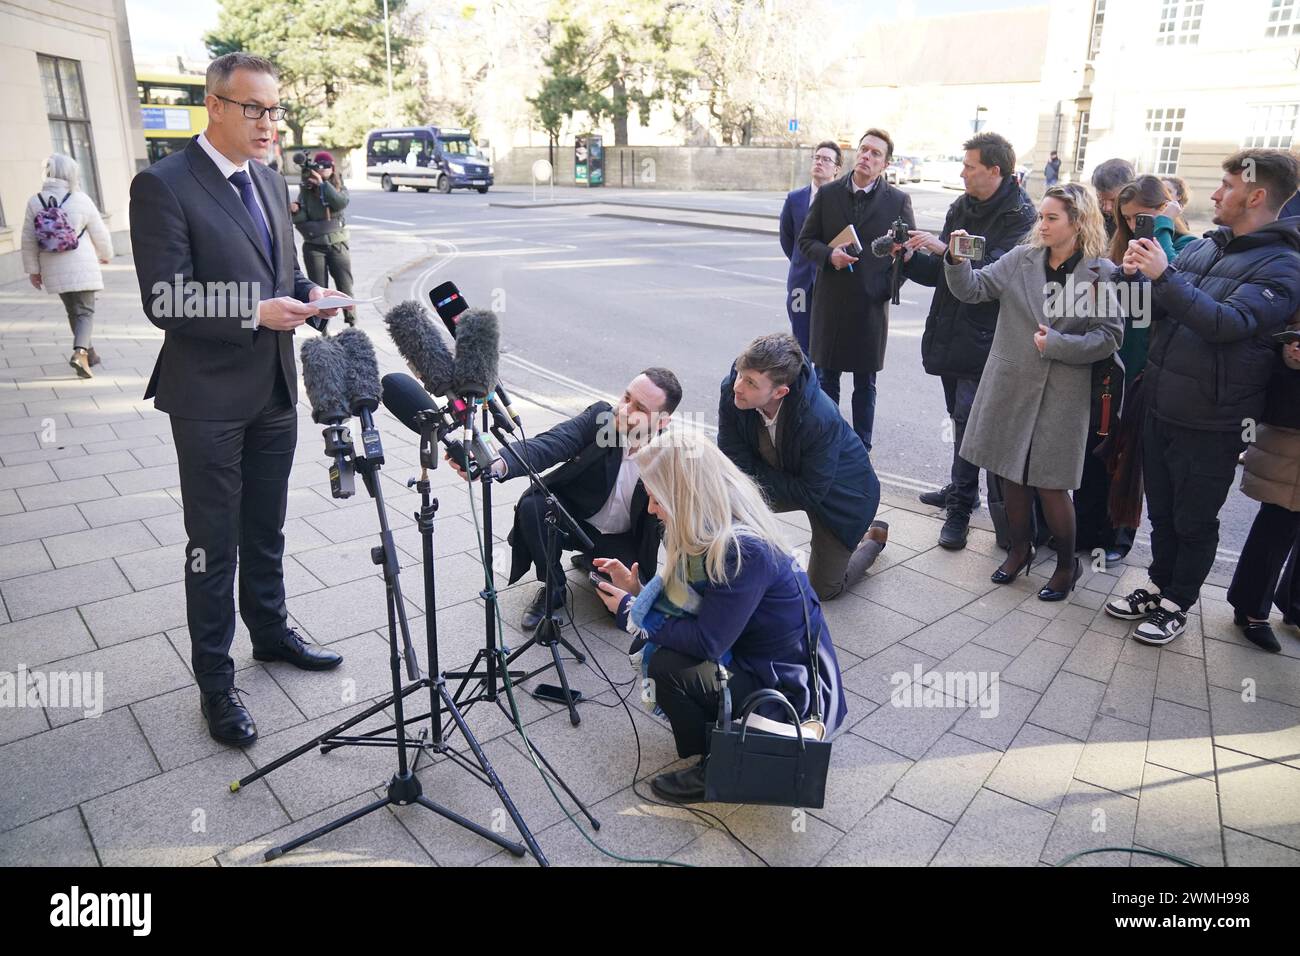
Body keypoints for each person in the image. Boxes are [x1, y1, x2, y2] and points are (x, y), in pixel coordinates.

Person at [129, 52, 343, 747]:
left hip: (276, 388)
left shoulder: (269, 177)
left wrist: (309, 298)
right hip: (209, 401)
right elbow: (166, 296)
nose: (269, 123)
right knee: (212, 546)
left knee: (267, 527)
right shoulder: (162, 185)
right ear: (214, 106)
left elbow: (280, 270)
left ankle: (272, 634)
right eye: (254, 109)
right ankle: (215, 686)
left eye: (275, 110)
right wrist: (259, 310)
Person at [1106, 148, 1300, 645]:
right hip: (1162, 401)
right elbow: (1157, 313)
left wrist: (1163, 277)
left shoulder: (1284, 266)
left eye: (1227, 186)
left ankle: (1178, 602)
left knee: (1194, 518)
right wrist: (1134, 278)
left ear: (1256, 195)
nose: (1215, 193)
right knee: (1164, 512)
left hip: (1215, 419)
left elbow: (1226, 324)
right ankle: (1158, 585)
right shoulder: (1206, 246)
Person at [592, 429, 847, 802]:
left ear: (684, 495)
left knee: (667, 663)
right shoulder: (720, 524)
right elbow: (700, 605)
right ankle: (719, 738)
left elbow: (708, 640)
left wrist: (632, 611)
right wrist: (637, 592)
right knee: (659, 646)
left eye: (656, 497)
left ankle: (719, 764)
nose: (650, 508)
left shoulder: (742, 551)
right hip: (766, 660)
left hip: (790, 690)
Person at [945, 184, 1123, 600]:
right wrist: (955, 260)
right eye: (1040, 216)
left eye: (1051, 218)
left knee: (1052, 484)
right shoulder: (1020, 259)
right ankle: (1020, 550)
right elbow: (972, 289)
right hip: (1012, 384)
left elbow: (1109, 337)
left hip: (1064, 394)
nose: (1041, 224)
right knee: (1011, 476)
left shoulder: (1100, 272)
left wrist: (1058, 344)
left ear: (1077, 223)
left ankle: (1066, 565)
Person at [447, 369, 682, 631]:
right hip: (573, 519)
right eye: (626, 397)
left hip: (622, 539)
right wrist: (494, 465)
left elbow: (676, 524)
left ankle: (591, 560)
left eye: (639, 408)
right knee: (533, 506)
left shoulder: (671, 456)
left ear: (661, 421)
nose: (625, 410)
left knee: (620, 617)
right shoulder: (601, 418)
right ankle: (554, 587)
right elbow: (551, 443)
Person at [900, 131, 1037, 549]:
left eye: (969, 166)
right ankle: (963, 490)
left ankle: (959, 507)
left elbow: (997, 273)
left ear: (995, 170)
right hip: (950, 331)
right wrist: (908, 259)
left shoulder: (1021, 214)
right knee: (959, 420)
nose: (962, 173)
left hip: (987, 338)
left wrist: (948, 251)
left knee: (967, 423)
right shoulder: (962, 205)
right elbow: (944, 274)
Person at [1077, 175, 1200, 563]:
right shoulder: (1123, 248)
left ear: (1165, 210)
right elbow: (1118, 303)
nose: (1133, 226)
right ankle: (1085, 529)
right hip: (1115, 360)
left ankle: (1119, 536)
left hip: (1152, 367)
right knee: (1097, 445)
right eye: (1128, 218)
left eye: (1143, 216)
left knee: (1129, 456)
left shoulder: (1188, 246)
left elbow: (1170, 285)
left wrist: (1162, 228)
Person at [717, 333, 888, 601]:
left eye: (750, 382)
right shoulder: (732, 391)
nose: (738, 386)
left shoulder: (819, 417)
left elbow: (810, 491)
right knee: (722, 494)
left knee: (823, 590)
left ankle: (873, 540)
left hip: (841, 494)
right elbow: (731, 458)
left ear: (780, 391)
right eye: (740, 373)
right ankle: (732, 572)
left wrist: (750, 480)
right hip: (789, 473)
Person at [797, 128, 915, 452]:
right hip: (831, 304)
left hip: (870, 308)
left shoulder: (898, 201)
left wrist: (883, 289)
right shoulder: (829, 193)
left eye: (876, 153)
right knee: (826, 381)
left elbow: (907, 257)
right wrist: (829, 256)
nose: (867, 156)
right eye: (864, 150)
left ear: (886, 164)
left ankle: (862, 450)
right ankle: (827, 443)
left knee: (865, 385)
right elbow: (806, 241)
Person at [1227, 312, 1300, 652]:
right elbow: (1272, 350)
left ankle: (1290, 607)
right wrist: (1291, 353)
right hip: (1288, 440)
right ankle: (1252, 609)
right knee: (1278, 522)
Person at [21, 153, 113, 378]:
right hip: (81, 262)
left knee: (73, 311)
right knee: (86, 311)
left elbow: (28, 239)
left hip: (51, 264)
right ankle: (80, 352)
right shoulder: (80, 198)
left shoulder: (35, 201)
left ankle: (89, 355)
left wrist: (33, 270)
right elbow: (99, 232)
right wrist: (106, 254)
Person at [779, 141, 841, 355]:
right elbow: (788, 240)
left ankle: (819, 386)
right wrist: (801, 260)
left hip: (829, 282)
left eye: (826, 159)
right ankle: (802, 384)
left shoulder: (842, 200)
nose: (819, 162)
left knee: (825, 343)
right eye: (816, 157)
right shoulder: (795, 199)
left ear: (836, 169)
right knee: (799, 342)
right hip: (799, 284)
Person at [291, 151, 356, 326]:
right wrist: (296, 210)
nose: (322, 169)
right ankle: (323, 328)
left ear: (333, 168)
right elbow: (302, 218)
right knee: (318, 289)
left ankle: (351, 321)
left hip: (337, 244)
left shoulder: (337, 185)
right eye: (319, 166)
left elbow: (340, 203)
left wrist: (322, 185)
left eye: (326, 166)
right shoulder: (306, 189)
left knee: (345, 285)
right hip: (314, 245)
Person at [1091, 158, 1136, 238]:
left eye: (1113, 200)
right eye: (1101, 200)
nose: (1106, 208)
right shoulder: (1093, 220)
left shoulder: (1139, 221)